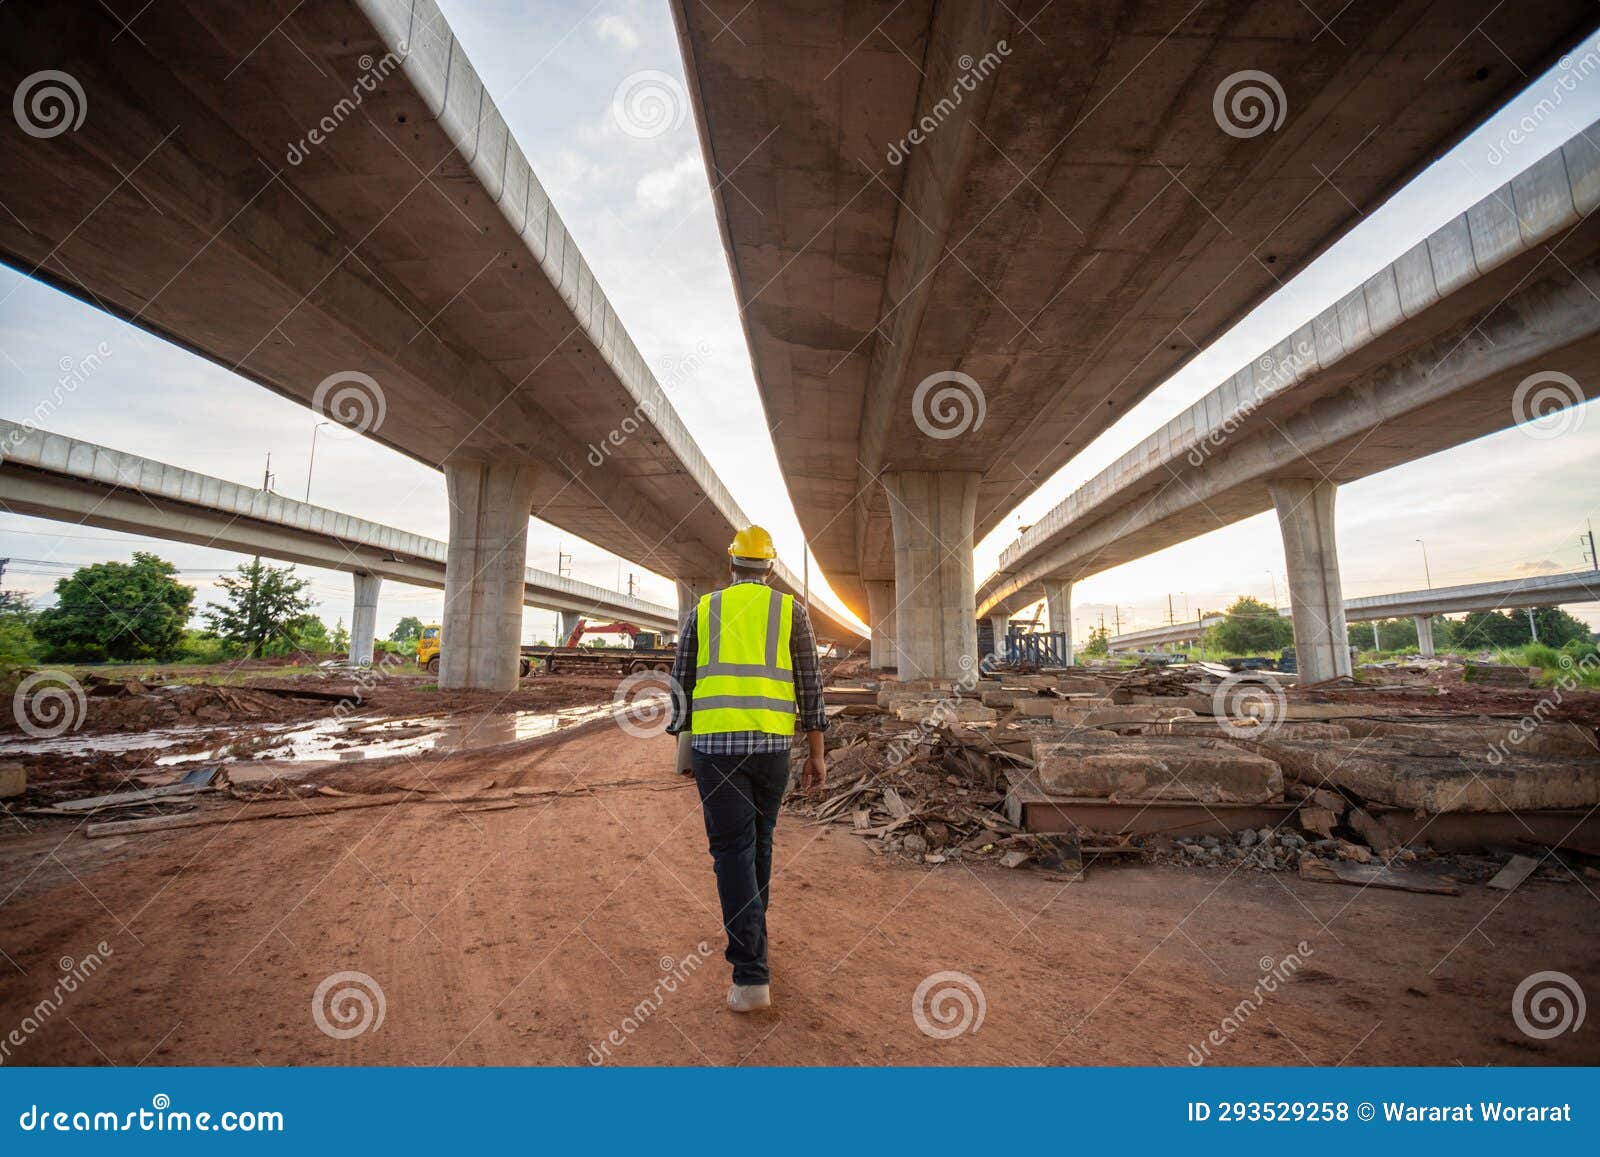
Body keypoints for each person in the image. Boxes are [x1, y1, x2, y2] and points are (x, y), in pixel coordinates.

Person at [667, 525, 827, 1013]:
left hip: (716, 749)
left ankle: (751, 974)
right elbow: (809, 684)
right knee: (758, 841)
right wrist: (817, 752)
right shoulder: (790, 610)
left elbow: (681, 680)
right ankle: (754, 933)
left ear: (731, 563)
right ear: (771, 567)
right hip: (772, 747)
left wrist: (681, 736)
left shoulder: (704, 608)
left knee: (732, 851)